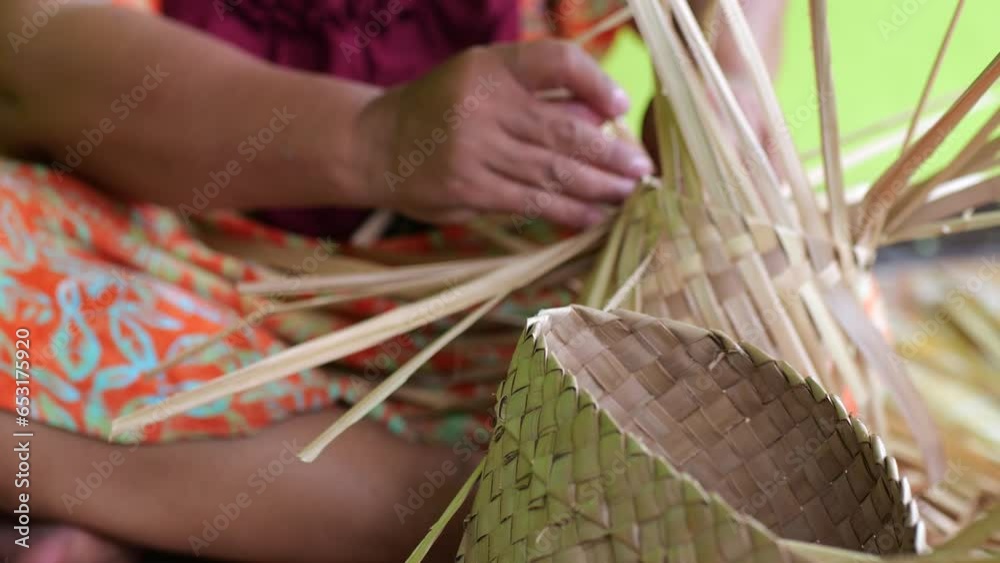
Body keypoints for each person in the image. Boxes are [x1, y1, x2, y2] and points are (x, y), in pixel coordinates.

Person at [0, 1, 786, 561]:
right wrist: (375, 137)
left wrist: (722, 95)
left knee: (768, 359)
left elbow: (727, 50)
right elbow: (26, 56)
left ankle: (134, 501)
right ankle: (487, 521)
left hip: (469, 292)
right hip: (142, 240)